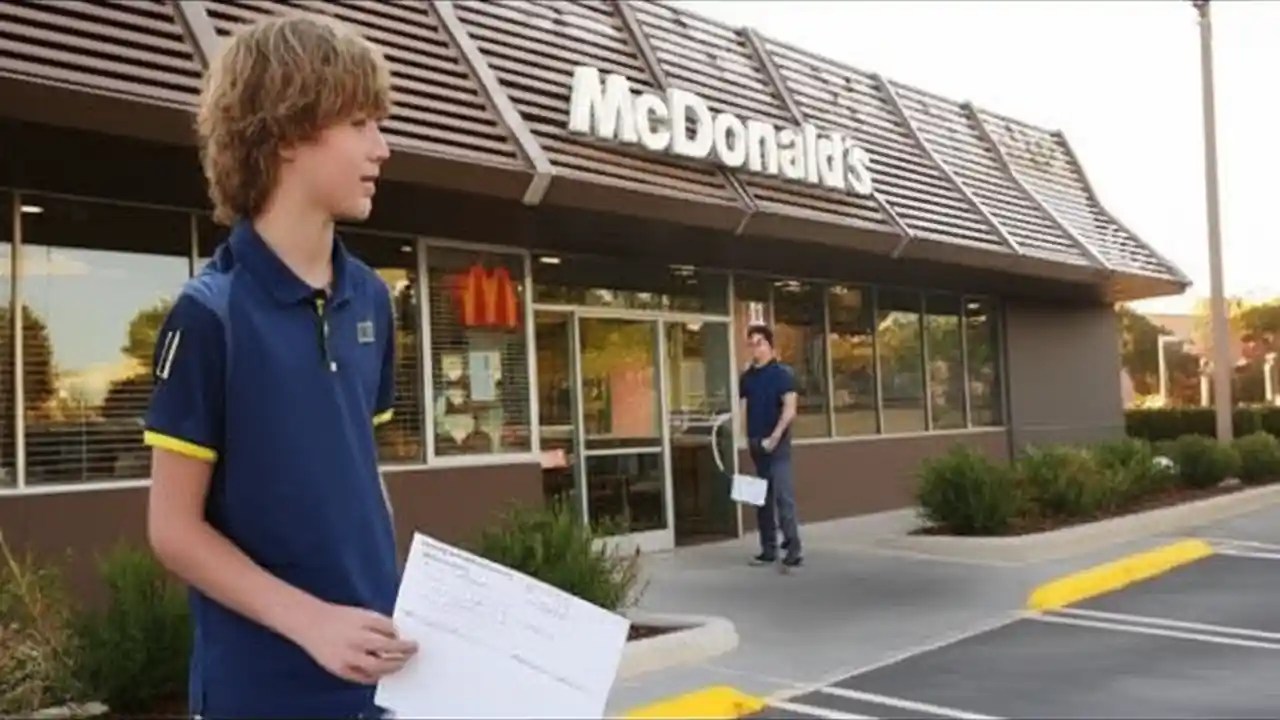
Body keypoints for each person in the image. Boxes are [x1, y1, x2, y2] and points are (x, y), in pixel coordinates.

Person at [143, 13, 416, 719]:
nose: (382, 147)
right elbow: (173, 530)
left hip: (376, 680)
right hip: (260, 692)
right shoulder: (210, 316)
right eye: (360, 122)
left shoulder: (373, 301)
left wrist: (404, 604)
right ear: (289, 132)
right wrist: (310, 621)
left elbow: (362, 473)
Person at [738, 323, 803, 568]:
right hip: (756, 443)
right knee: (761, 498)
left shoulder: (782, 374)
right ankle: (768, 549)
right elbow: (743, 407)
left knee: (783, 496)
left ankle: (793, 547)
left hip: (777, 446)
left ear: (770, 346)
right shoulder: (747, 378)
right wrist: (745, 437)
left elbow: (790, 410)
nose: (756, 348)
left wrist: (774, 438)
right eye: (751, 344)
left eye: (760, 343)